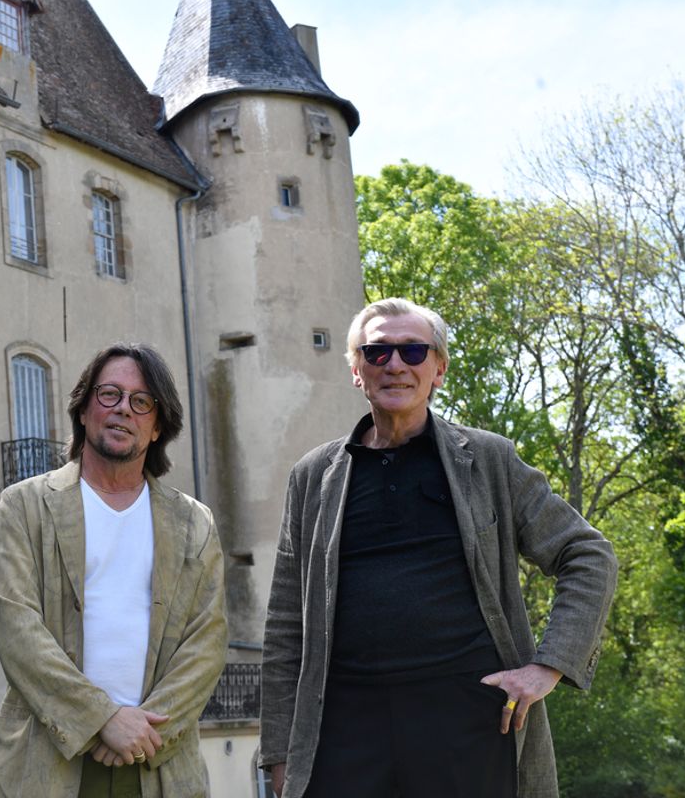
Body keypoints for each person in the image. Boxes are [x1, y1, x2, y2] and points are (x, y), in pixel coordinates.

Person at [258, 298, 618, 798]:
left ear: (439, 369)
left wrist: (548, 665)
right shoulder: (313, 477)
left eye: (412, 351)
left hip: (469, 719)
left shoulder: (490, 460)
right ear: (357, 371)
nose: (396, 365)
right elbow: (284, 628)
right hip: (342, 726)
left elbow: (587, 554)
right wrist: (278, 753)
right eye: (378, 352)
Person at [0, 342, 227, 798]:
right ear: (83, 408)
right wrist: (101, 719)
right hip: (50, 762)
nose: (123, 411)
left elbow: (207, 642)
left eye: (141, 402)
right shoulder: (23, 507)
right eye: (109, 394)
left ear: (157, 426)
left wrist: (141, 733)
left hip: (159, 763)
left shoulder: (194, 522)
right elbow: (16, 630)